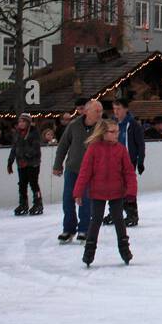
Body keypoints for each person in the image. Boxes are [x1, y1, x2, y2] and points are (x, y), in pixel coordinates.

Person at [72, 116, 136, 267]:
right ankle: (89, 252)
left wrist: (131, 191)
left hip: (116, 192)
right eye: (112, 132)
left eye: (117, 132)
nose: (116, 135)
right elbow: (85, 172)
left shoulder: (120, 149)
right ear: (103, 133)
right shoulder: (94, 149)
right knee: (96, 221)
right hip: (98, 192)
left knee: (119, 220)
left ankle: (124, 249)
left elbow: (129, 172)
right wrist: (78, 192)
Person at [53, 99, 102, 244]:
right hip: (72, 169)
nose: (99, 114)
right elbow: (63, 146)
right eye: (96, 111)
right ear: (86, 111)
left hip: (91, 172)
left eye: (100, 111)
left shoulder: (103, 127)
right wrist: (57, 165)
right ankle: (68, 229)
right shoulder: (74, 125)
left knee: (86, 201)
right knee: (68, 199)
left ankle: (84, 229)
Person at [112, 100, 146, 227]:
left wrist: (141, 161)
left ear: (126, 109)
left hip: (128, 160)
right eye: (114, 108)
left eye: (119, 108)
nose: (116, 111)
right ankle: (115, 211)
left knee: (128, 187)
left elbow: (140, 144)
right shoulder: (112, 124)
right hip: (114, 161)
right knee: (115, 187)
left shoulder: (133, 125)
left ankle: (132, 213)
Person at [7, 113, 43, 216]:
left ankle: (38, 202)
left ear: (28, 123)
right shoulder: (17, 133)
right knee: (22, 184)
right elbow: (14, 148)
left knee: (33, 183)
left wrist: (26, 156)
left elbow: (35, 148)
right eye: (19, 122)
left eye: (23, 121)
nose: (21, 123)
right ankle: (23, 203)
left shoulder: (34, 133)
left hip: (33, 163)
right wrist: (10, 162)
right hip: (21, 163)